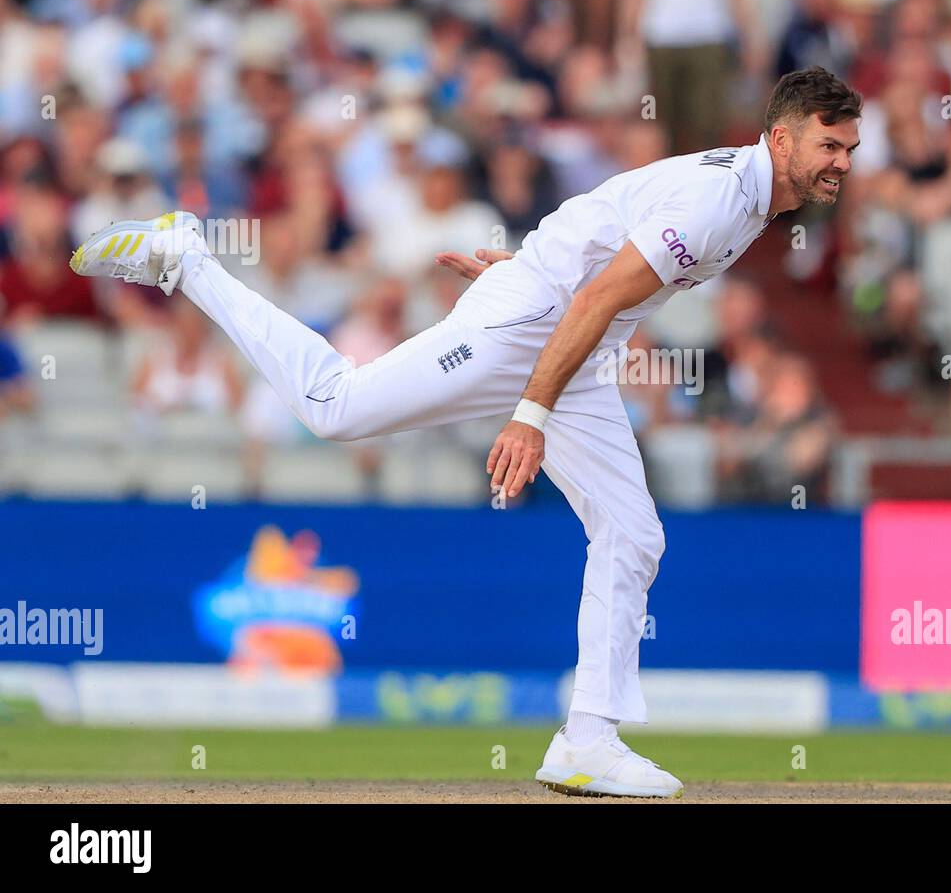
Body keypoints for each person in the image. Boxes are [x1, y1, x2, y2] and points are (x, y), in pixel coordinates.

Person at [68, 67, 863, 799]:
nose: (843, 163)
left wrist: (528, 267)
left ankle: (587, 740)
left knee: (633, 532)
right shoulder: (721, 199)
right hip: (541, 329)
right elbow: (591, 300)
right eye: (829, 145)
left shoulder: (751, 195)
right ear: (782, 137)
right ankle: (186, 256)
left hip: (563, 328)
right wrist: (529, 408)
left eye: (851, 148)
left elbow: (612, 223)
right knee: (335, 408)